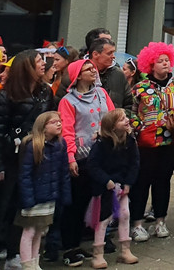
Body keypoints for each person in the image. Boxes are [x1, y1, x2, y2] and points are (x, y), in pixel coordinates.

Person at [0, 49, 57, 270]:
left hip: (35, 159)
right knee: (1, 208)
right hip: (9, 160)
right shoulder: (3, 97)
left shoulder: (46, 93)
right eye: (38, 61)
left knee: (23, 208)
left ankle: (13, 253)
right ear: (26, 66)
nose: (43, 65)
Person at [127, 42, 174, 244]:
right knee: (142, 181)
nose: (164, 64)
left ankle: (160, 220)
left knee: (163, 180)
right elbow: (131, 111)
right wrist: (139, 127)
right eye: (159, 61)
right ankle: (136, 224)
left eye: (167, 60)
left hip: (172, 140)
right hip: (146, 142)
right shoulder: (140, 88)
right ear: (150, 65)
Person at [58, 59, 115, 267]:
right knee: (76, 203)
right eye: (88, 69)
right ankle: (70, 247)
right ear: (77, 75)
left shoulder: (102, 94)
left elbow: (111, 116)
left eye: (93, 68)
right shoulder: (68, 101)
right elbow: (67, 130)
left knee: (100, 201)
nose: (93, 71)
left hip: (102, 156)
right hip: (82, 158)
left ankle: (94, 241)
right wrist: (70, 156)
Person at [84, 110, 139, 267]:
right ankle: (98, 253)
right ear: (112, 126)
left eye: (125, 118)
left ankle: (125, 250)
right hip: (105, 187)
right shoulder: (101, 144)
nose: (127, 120)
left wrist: (128, 183)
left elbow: (134, 163)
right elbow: (92, 165)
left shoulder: (130, 141)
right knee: (103, 219)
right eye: (122, 120)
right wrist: (106, 181)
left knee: (125, 214)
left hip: (122, 185)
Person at [16, 112, 70, 270]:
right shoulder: (32, 145)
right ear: (43, 127)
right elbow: (24, 175)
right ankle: (27, 264)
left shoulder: (61, 144)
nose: (59, 124)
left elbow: (63, 173)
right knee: (29, 231)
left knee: (40, 231)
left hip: (49, 196)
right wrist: (28, 200)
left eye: (60, 121)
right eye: (54, 122)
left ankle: (35, 262)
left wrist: (63, 196)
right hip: (34, 198)